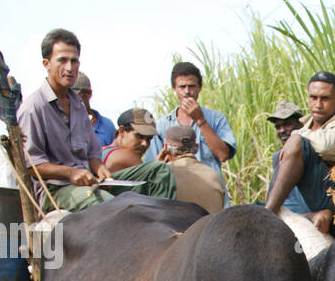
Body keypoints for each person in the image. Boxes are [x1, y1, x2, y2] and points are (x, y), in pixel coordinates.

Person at [17, 28, 176, 212]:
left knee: (159, 171)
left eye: (74, 61)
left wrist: (100, 169)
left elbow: (93, 152)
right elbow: (31, 165)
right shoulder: (34, 108)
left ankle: (160, 227)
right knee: (112, 206)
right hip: (56, 189)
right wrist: (70, 173)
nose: (69, 68)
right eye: (62, 60)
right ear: (47, 63)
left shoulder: (77, 104)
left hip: (90, 181)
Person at [264, 72, 335, 235]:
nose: (318, 104)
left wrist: (296, 135)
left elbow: (325, 145)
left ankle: (268, 214)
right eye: (313, 98)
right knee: (279, 154)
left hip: (330, 195)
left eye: (324, 98)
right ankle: (291, 214)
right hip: (307, 198)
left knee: (295, 143)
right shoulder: (307, 127)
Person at [145, 61, 237, 207]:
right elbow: (153, 166)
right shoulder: (162, 125)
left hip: (210, 197)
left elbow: (223, 155)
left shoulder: (215, 119)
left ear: (199, 88)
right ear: (174, 89)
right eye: (182, 87)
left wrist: (200, 120)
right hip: (176, 199)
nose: (187, 91)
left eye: (192, 86)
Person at [163, 126, 224, 214]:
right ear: (196, 147)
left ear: (165, 147)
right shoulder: (214, 175)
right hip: (210, 226)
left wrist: (158, 166)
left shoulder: (163, 175)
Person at [73, 72, 116, 147]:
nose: (68, 99)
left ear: (89, 93)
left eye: (73, 95)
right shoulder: (59, 124)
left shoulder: (107, 126)